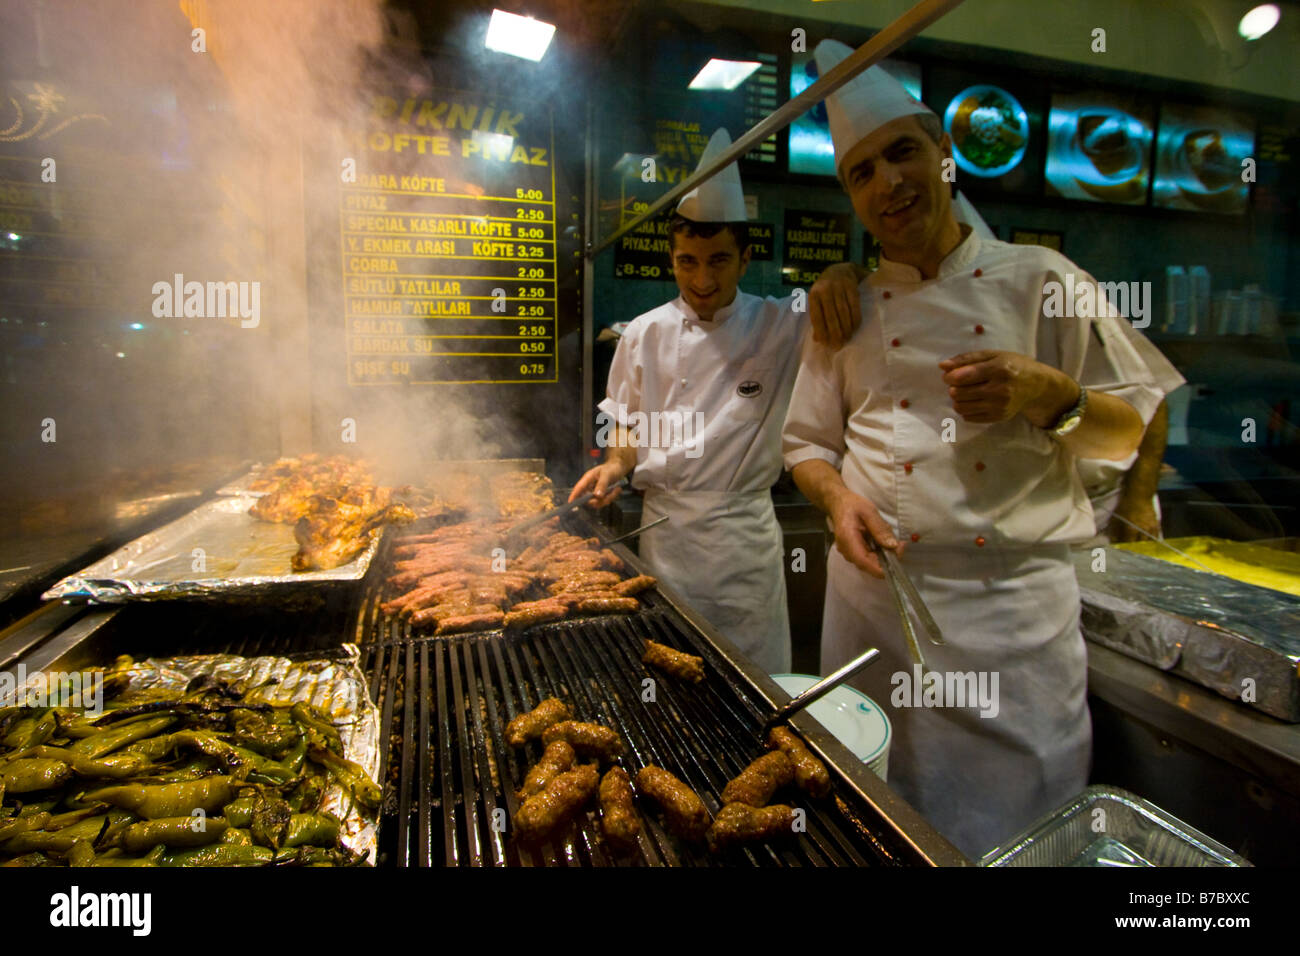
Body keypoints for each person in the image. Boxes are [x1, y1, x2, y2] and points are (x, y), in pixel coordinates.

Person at [781, 39, 1176, 859]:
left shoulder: (1041, 277)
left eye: (903, 154)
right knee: (876, 820)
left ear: (944, 155)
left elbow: (1132, 426)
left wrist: (1052, 396)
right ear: (851, 197)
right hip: (875, 613)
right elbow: (807, 444)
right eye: (861, 171)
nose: (887, 182)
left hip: (1014, 628)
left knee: (1022, 836)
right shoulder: (843, 305)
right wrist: (834, 499)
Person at [570, 129, 859, 674]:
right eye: (688, 261)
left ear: (746, 257)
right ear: (672, 257)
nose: (702, 279)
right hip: (666, 539)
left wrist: (844, 272)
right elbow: (625, 424)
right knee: (672, 676)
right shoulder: (644, 333)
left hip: (743, 545)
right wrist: (614, 465)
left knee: (756, 687)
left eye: (719, 260)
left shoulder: (782, 324)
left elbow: (856, 292)